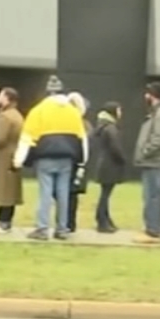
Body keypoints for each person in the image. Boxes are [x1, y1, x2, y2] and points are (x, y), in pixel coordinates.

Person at [16, 75, 88, 241]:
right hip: (67, 159)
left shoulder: (39, 110)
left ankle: (42, 228)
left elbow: (26, 137)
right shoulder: (73, 112)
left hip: (45, 157)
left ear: (47, 93)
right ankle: (62, 229)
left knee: (45, 193)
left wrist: (18, 161)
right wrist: (82, 162)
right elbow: (82, 139)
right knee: (63, 192)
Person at [133, 82, 160, 243]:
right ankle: (151, 227)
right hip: (153, 161)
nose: (145, 96)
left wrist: (145, 152)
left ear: (152, 95)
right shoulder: (157, 113)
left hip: (155, 162)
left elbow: (159, 138)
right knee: (151, 195)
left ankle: (152, 230)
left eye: (147, 93)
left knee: (152, 196)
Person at [0, 87, 25, 232]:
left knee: (3, 191)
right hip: (14, 155)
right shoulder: (18, 115)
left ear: (7, 98)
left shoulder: (5, 116)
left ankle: (2, 223)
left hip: (2, 157)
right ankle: (6, 221)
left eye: (1, 96)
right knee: (11, 192)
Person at [92, 101, 126, 233]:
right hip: (110, 165)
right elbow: (115, 148)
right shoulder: (110, 128)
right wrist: (123, 159)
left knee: (105, 194)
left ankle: (105, 219)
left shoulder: (103, 126)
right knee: (105, 195)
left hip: (104, 164)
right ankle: (102, 221)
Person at [64, 92, 92, 234]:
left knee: (71, 194)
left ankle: (69, 223)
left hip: (76, 163)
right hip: (73, 162)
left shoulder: (83, 125)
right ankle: (67, 222)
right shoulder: (83, 124)